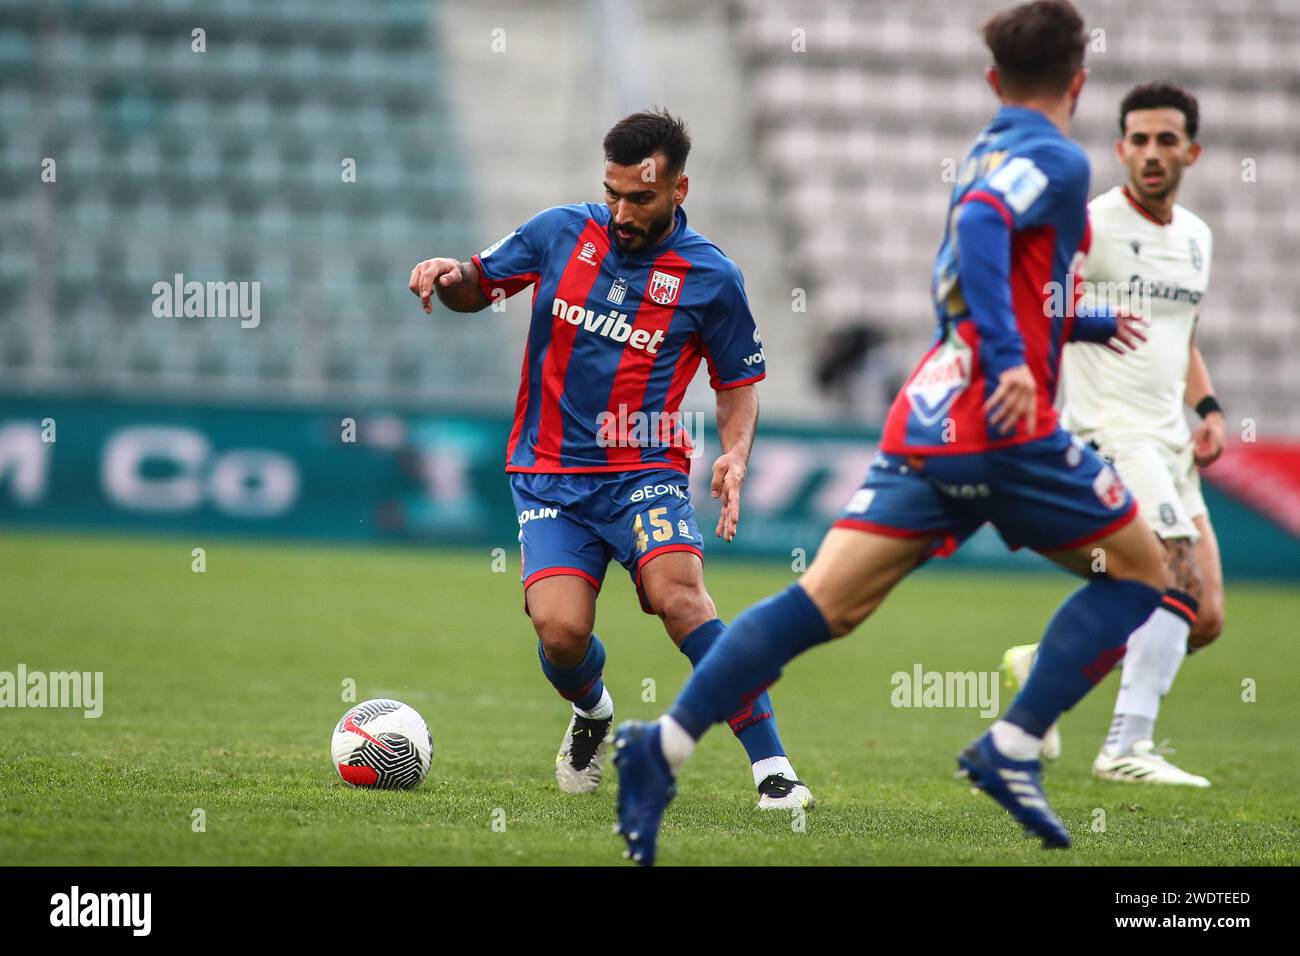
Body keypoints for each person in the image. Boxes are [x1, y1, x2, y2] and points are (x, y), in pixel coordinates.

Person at [611, 0, 1178, 865]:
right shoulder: (1057, 158)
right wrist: (1015, 361)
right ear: (1081, 81)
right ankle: (1014, 745)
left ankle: (665, 745)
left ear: (995, 82)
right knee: (1146, 573)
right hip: (1003, 423)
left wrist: (1078, 323)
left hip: (930, 414)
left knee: (822, 606)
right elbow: (989, 231)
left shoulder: (987, 148)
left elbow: (983, 270)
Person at [408, 109, 813, 809]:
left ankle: (773, 770)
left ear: (679, 189)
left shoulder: (712, 277)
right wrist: (449, 278)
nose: (623, 212)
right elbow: (482, 283)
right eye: (614, 193)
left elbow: (738, 382)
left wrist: (736, 455)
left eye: (642, 198)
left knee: (678, 598)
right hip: (549, 475)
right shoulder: (560, 231)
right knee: (562, 633)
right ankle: (593, 712)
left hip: (643, 472)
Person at [1003, 81, 1224, 786]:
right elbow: (1040, 304)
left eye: (1166, 140)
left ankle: (1047, 664)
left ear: (1192, 150)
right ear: (1120, 147)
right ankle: (1126, 747)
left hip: (1170, 440)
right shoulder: (1092, 225)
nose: (1151, 153)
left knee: (1207, 616)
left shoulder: (1196, 238)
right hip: (1111, 431)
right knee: (1174, 575)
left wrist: (1210, 407)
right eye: (1138, 139)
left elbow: (1181, 334)